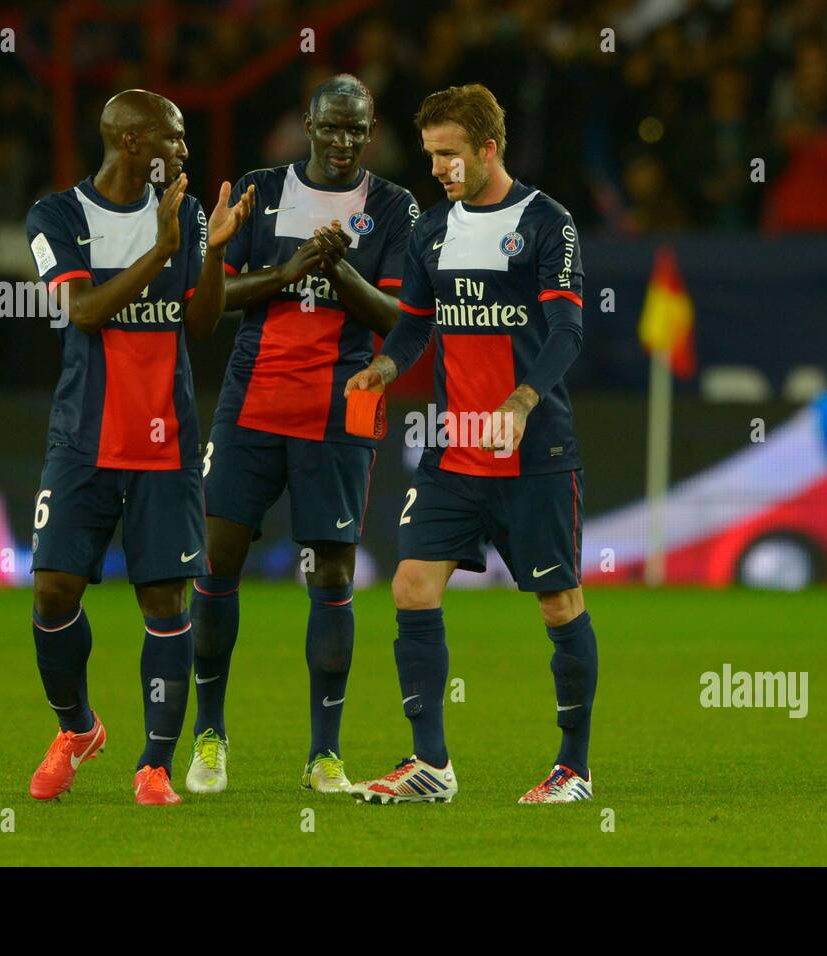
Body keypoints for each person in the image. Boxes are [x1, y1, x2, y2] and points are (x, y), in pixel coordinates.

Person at [345, 83, 598, 804]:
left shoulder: (548, 223)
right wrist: (384, 367)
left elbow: (568, 330)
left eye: (451, 154)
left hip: (535, 450)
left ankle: (573, 769)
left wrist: (523, 399)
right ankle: (431, 764)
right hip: (456, 451)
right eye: (431, 155)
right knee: (410, 586)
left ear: (491, 148)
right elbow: (416, 323)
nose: (439, 168)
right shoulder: (430, 230)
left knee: (558, 603)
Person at [186, 75, 418, 795]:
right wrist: (288, 271)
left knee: (332, 575)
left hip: (337, 413)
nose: (343, 142)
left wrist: (340, 269)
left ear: (370, 131)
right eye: (331, 127)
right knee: (216, 564)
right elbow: (211, 302)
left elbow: (398, 321)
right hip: (251, 404)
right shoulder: (260, 189)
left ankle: (325, 753)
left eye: (357, 129)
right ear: (307, 126)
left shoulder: (392, 206)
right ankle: (210, 737)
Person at [23, 89, 253, 806]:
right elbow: (85, 311)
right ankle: (77, 728)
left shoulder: (183, 216)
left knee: (163, 599)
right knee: (53, 589)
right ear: (130, 143)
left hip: (166, 442)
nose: (183, 151)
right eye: (172, 139)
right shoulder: (57, 217)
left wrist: (208, 254)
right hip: (83, 441)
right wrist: (162, 248)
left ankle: (153, 763)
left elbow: (202, 325)